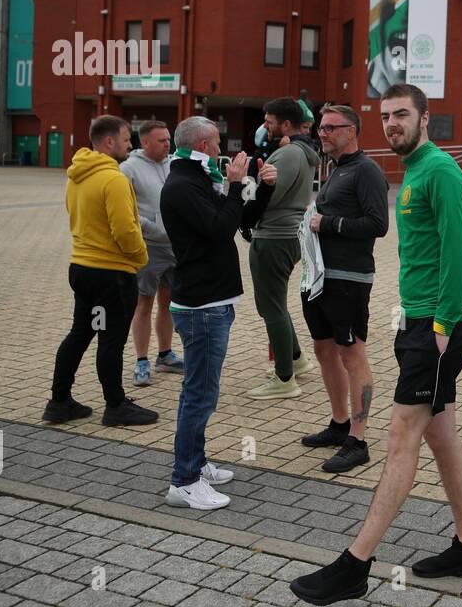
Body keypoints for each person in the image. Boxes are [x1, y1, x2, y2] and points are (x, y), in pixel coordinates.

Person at [291, 83, 462, 605]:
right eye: (386, 116)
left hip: (439, 328)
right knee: (440, 435)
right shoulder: (415, 170)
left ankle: (354, 565)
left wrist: (442, 327)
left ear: (425, 119)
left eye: (402, 114)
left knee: (401, 436)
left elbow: (459, 254)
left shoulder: (441, 172)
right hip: (418, 324)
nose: (393, 123)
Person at [160, 116, 276, 509]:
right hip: (201, 306)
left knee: (202, 392)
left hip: (211, 301)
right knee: (200, 394)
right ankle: (185, 480)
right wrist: (236, 184)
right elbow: (220, 228)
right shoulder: (182, 185)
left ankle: (196, 461)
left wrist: (260, 188)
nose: (221, 151)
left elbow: (240, 218)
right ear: (204, 145)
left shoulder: (197, 179)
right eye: (216, 143)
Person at [44, 116, 158, 427]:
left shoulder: (76, 175)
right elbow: (125, 230)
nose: (130, 144)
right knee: (111, 340)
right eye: (125, 139)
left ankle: (59, 401)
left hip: (82, 268)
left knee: (81, 333)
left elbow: (75, 216)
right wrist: (140, 256)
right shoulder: (114, 179)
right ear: (109, 142)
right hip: (112, 274)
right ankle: (116, 406)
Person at [299, 104, 389, 473]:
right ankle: (339, 424)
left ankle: (359, 438)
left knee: (352, 355)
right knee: (323, 350)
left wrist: (328, 223)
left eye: (332, 128)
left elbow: (377, 224)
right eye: (321, 127)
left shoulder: (366, 170)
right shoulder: (335, 170)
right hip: (319, 278)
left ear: (352, 131)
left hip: (349, 280)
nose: (323, 133)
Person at [247, 97, 321, 399]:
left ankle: (284, 378)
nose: (265, 126)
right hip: (290, 235)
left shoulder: (286, 155)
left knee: (270, 308)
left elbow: (264, 197)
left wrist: (242, 185)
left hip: (274, 237)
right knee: (276, 303)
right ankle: (296, 359)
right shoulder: (302, 152)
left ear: (286, 124)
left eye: (270, 121)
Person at [120, 120, 185, 386]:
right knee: (143, 303)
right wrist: (152, 228)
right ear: (144, 142)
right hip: (148, 247)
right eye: (161, 140)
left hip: (176, 246)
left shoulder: (174, 164)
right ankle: (141, 362)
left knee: (168, 302)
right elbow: (127, 211)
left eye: (168, 139)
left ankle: (165, 355)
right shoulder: (128, 169)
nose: (168, 144)